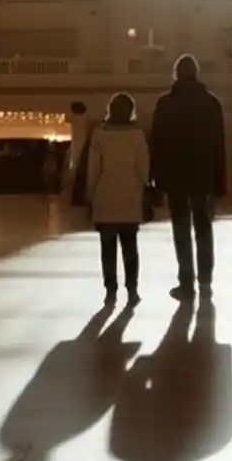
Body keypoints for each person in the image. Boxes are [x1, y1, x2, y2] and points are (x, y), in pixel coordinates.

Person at [150, 54, 226, 301]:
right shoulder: (211, 103)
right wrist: (219, 181)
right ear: (196, 73)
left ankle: (186, 282)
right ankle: (206, 279)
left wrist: (156, 178)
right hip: (203, 174)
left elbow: (157, 144)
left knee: (181, 228)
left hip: (175, 175)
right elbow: (218, 145)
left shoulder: (165, 104)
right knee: (203, 226)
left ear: (176, 74)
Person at [86, 93, 150, 307]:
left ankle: (110, 290)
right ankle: (132, 289)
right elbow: (143, 169)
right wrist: (144, 189)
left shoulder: (99, 135)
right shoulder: (138, 135)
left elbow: (93, 169)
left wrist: (90, 194)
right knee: (130, 247)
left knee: (107, 248)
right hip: (130, 196)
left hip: (105, 196)